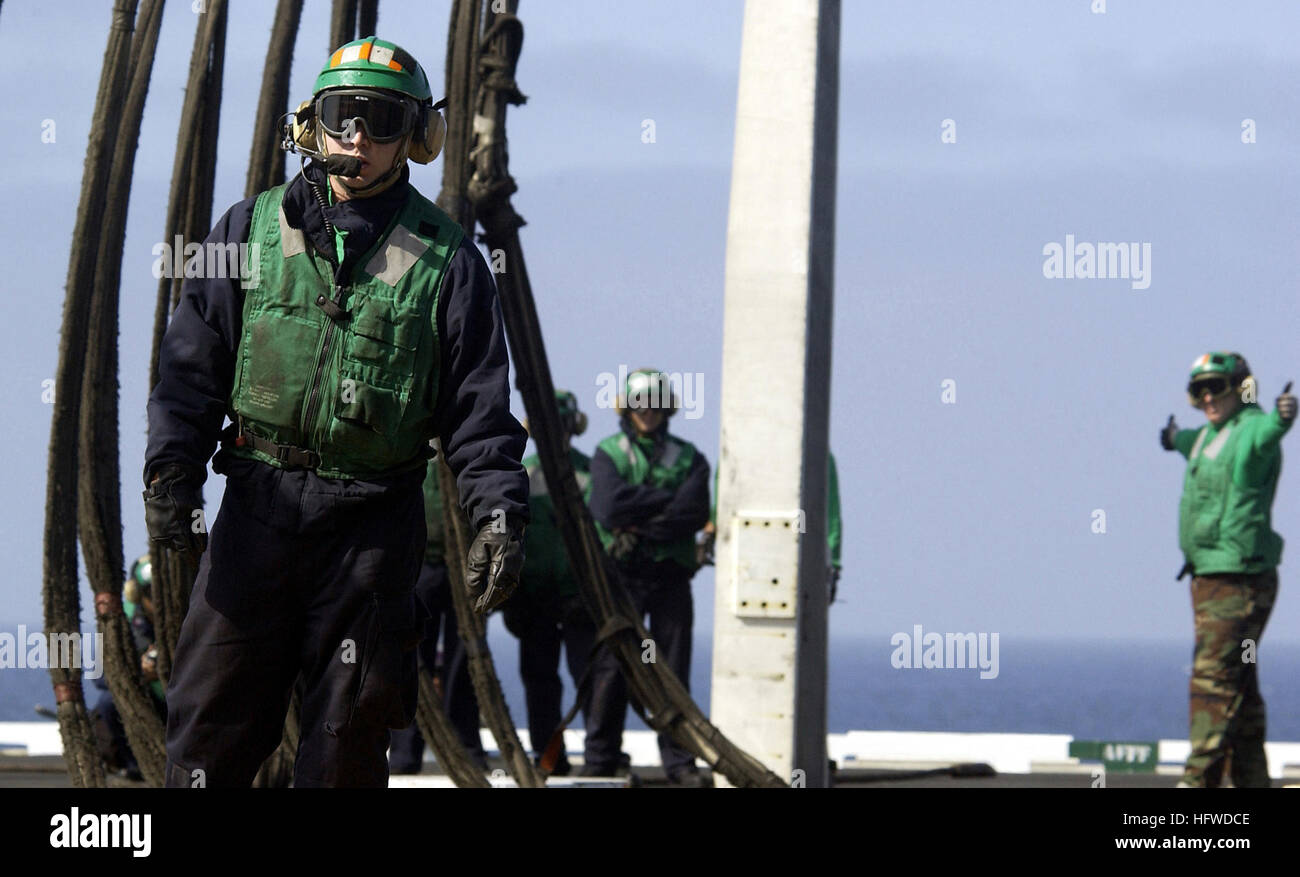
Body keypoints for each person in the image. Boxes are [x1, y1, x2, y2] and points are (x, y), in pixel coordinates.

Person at [143, 37, 528, 788]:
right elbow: (190, 369)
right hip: (257, 513)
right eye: (342, 115)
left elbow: (479, 413)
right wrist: (171, 473)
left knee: (345, 745)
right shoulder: (246, 231)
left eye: (382, 120)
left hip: (372, 535)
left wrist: (499, 516)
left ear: (417, 139)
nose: (358, 136)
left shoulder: (449, 263)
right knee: (206, 735)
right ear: (310, 124)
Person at [1161, 352, 1295, 788]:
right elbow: (1186, 443)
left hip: (1238, 581)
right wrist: (1172, 437)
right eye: (1199, 391)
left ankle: (1197, 782)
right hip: (1211, 578)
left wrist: (1283, 416)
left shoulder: (1253, 430)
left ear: (1241, 388)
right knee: (1239, 680)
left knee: (1213, 679)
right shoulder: (1204, 437)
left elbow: (1270, 433)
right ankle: (1251, 780)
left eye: (1216, 387)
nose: (1207, 398)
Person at [586, 369, 710, 786]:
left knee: (672, 670)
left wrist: (638, 522)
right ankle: (600, 758)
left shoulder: (690, 457)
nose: (647, 412)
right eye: (640, 405)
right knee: (612, 664)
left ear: (666, 409)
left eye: (654, 405)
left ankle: (680, 762)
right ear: (627, 407)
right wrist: (664, 505)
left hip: (670, 578)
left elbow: (692, 512)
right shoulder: (608, 453)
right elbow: (607, 507)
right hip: (622, 579)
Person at [502, 390, 599, 775]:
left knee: (590, 678)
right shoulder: (520, 474)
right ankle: (549, 757)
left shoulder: (593, 473)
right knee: (541, 681)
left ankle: (599, 757)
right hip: (535, 599)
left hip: (580, 598)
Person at [388, 453, 488, 774]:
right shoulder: (415, 444)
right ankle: (405, 753)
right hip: (420, 565)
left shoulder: (469, 448)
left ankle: (467, 750)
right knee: (413, 661)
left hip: (466, 568)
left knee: (466, 662)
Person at [701, 451, 843, 602]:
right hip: (757, 544)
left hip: (784, 537)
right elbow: (830, 513)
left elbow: (829, 512)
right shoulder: (817, 450)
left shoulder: (738, 445)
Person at [90, 554, 166, 779]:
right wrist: (139, 674)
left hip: (179, 703)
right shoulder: (121, 622)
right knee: (108, 702)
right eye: (152, 592)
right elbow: (100, 677)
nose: (160, 600)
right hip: (145, 700)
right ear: (138, 594)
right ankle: (134, 766)